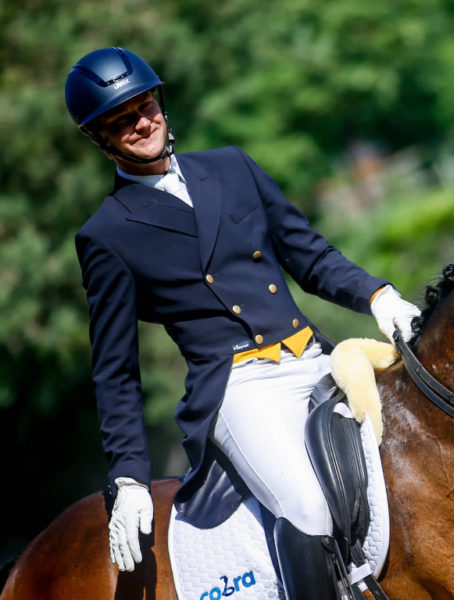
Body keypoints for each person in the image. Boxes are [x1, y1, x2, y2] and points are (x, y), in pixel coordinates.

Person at [65, 47, 419, 599]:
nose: (142, 123)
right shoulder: (106, 235)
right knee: (306, 508)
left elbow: (309, 256)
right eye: (121, 120)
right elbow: (116, 371)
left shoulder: (231, 167)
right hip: (239, 387)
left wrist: (379, 296)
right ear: (99, 138)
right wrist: (128, 476)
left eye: (145, 106)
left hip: (314, 356)